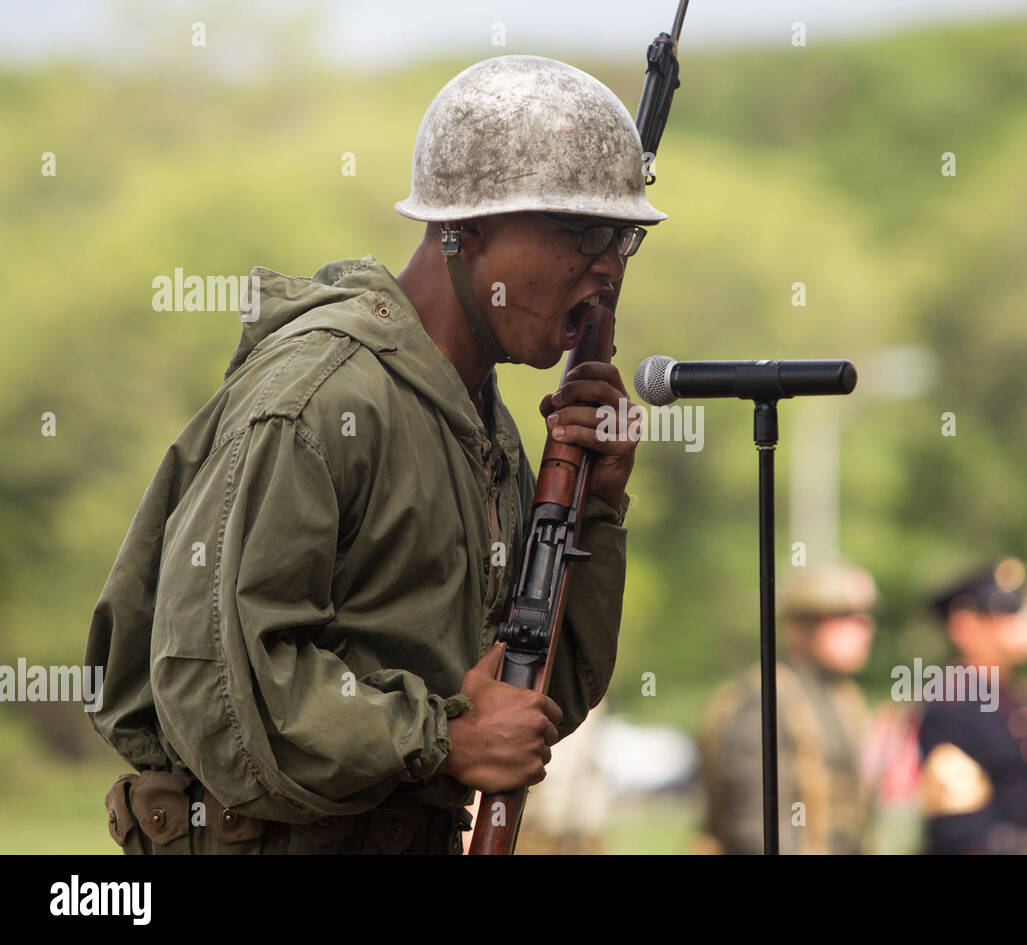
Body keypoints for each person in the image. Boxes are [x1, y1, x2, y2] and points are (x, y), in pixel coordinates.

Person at [84, 55, 660, 854]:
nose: (608, 266)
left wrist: (596, 503)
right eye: (582, 230)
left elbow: (531, 704)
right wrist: (443, 740)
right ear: (467, 225)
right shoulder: (320, 399)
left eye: (623, 236)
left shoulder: (481, 425)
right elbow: (218, 684)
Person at [699, 564, 877, 854]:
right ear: (801, 627)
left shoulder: (844, 697)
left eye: (864, 618)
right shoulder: (763, 699)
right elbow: (755, 825)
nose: (865, 629)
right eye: (844, 617)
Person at [917, 557, 1027, 854]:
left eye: (1017, 610)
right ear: (963, 624)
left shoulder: (1014, 698)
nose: (1016, 622)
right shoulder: (953, 704)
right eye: (1001, 611)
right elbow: (958, 827)